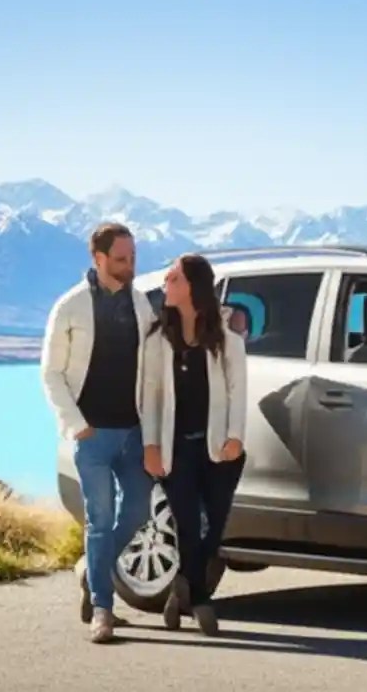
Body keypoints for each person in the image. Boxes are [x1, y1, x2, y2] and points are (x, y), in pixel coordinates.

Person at [39, 221, 158, 644]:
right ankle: (103, 610)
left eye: (133, 257)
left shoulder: (141, 303)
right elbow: (51, 373)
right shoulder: (70, 306)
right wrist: (77, 426)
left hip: (133, 431)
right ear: (98, 257)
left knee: (139, 511)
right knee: (100, 520)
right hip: (92, 435)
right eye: (122, 259)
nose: (130, 265)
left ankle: (92, 571)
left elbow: (156, 363)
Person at [141, 254, 247, 637]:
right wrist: (151, 445)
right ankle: (200, 600)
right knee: (187, 526)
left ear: (193, 287)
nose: (165, 285)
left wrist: (235, 436)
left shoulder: (225, 339)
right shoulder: (157, 341)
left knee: (212, 530)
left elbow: (237, 391)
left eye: (173, 279)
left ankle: (180, 587)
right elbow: (150, 397)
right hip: (176, 449)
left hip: (219, 448)